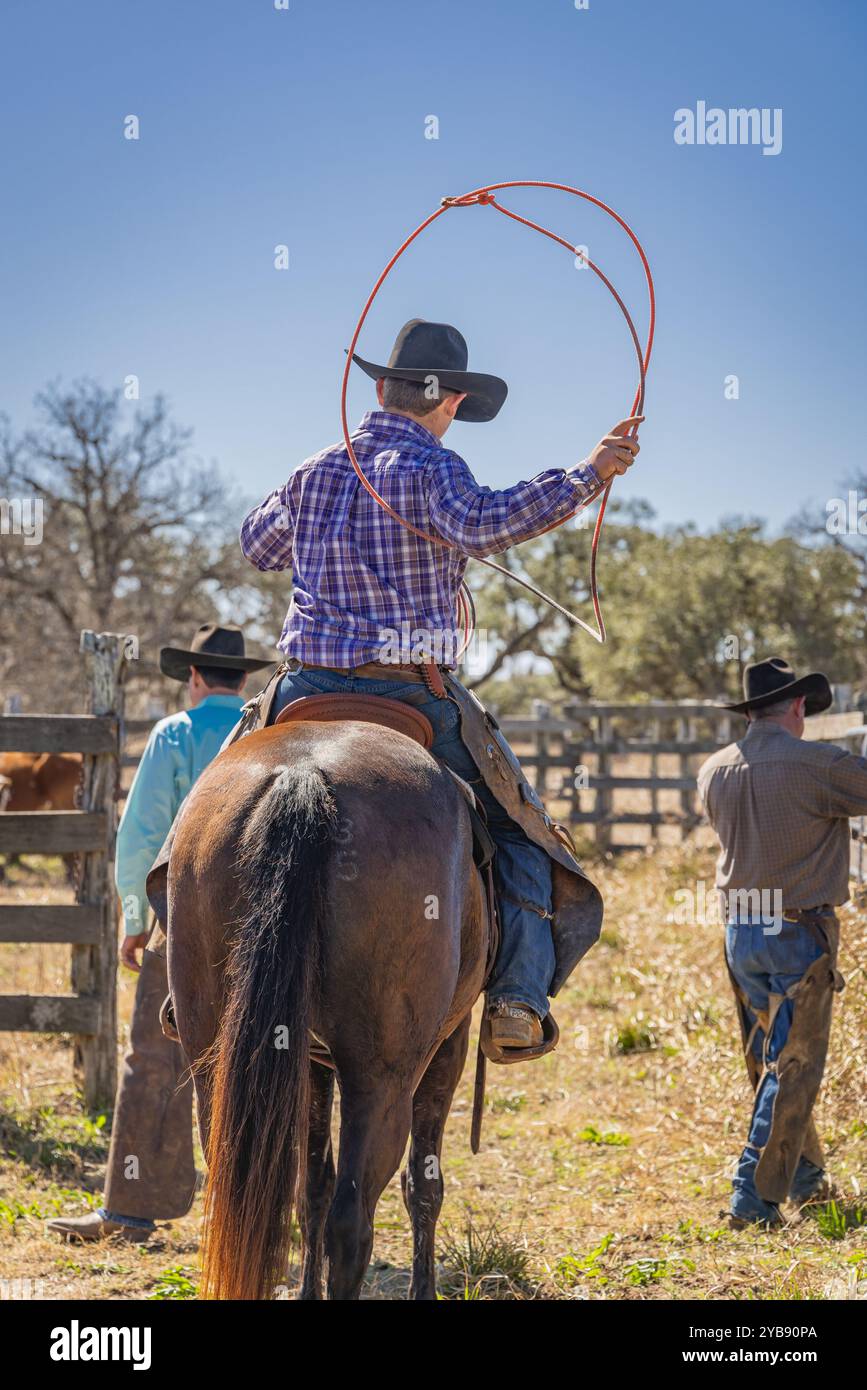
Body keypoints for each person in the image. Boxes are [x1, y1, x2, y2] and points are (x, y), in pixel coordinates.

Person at [239, 318, 641, 1054]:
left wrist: (312, 503)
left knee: (217, 808)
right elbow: (486, 524)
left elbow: (257, 545)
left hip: (301, 689)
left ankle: (184, 966)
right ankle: (516, 999)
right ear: (448, 400)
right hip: (411, 693)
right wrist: (589, 474)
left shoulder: (312, 470)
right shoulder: (432, 470)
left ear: (382, 387)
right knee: (519, 830)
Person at [46, 623, 272, 1242]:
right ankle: (280, 1210)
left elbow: (143, 833)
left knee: (155, 1053)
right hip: (265, 922)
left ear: (195, 677)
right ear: (243, 678)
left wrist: (136, 918)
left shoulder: (176, 733)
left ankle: (130, 1209)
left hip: (185, 917)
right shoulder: (269, 730)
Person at [698, 657, 855, 1228]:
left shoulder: (714, 770)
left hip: (741, 929)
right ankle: (751, 1198)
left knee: (775, 1058)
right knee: (794, 1064)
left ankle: (808, 1178)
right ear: (796, 706)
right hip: (798, 931)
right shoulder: (819, 764)